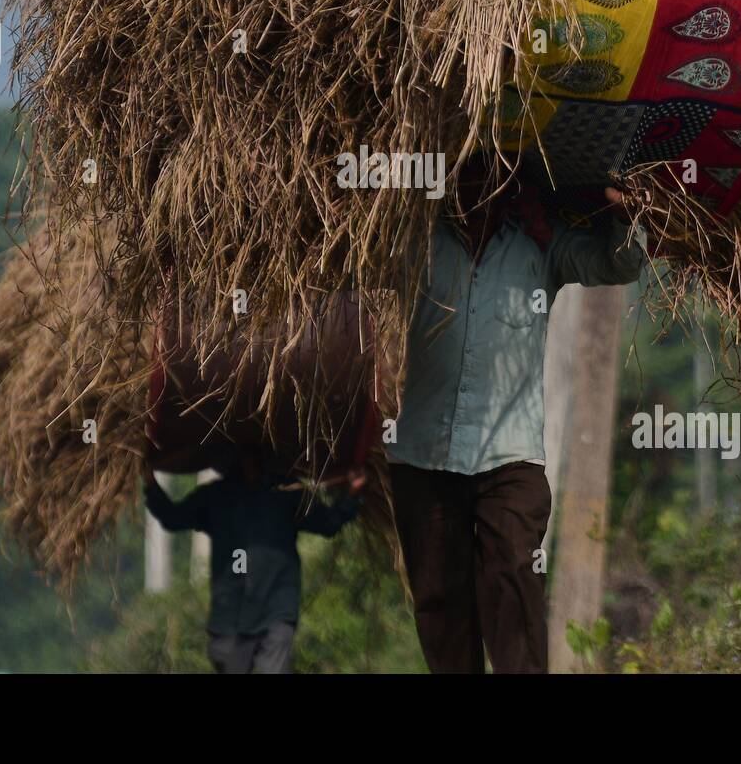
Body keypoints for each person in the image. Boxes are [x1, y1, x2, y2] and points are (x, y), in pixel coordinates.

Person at [388, 160, 646, 674]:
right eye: (465, 172)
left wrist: (624, 214)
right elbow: (337, 255)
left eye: (490, 173)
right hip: (423, 456)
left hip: (511, 460)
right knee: (440, 605)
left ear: (508, 181)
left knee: (515, 586)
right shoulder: (412, 244)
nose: (477, 185)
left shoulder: (540, 244)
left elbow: (618, 265)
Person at [144, 451, 364, 674]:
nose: (249, 462)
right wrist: (150, 481)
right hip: (229, 617)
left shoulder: (287, 492)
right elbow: (173, 517)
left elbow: (327, 523)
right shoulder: (216, 496)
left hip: (276, 608)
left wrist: (353, 492)